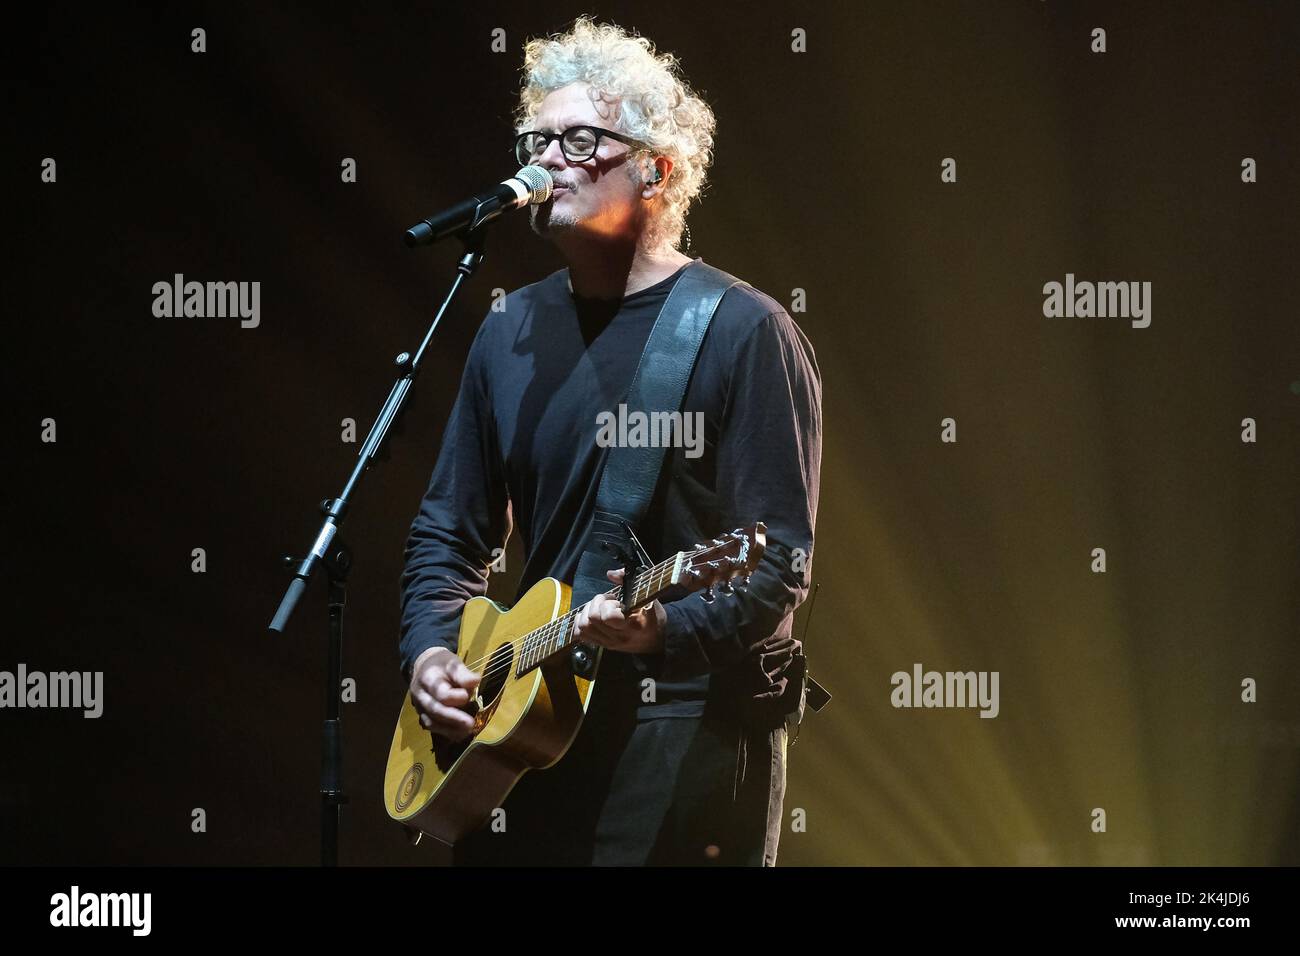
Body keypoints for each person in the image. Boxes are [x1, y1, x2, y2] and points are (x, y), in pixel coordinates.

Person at [398, 16, 822, 866]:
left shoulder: (743, 331)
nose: (543, 158)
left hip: (687, 727)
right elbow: (448, 532)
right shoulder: (508, 331)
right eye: (536, 138)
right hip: (524, 729)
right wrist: (433, 651)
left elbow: (774, 559)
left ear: (657, 169)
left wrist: (665, 626)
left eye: (580, 138)